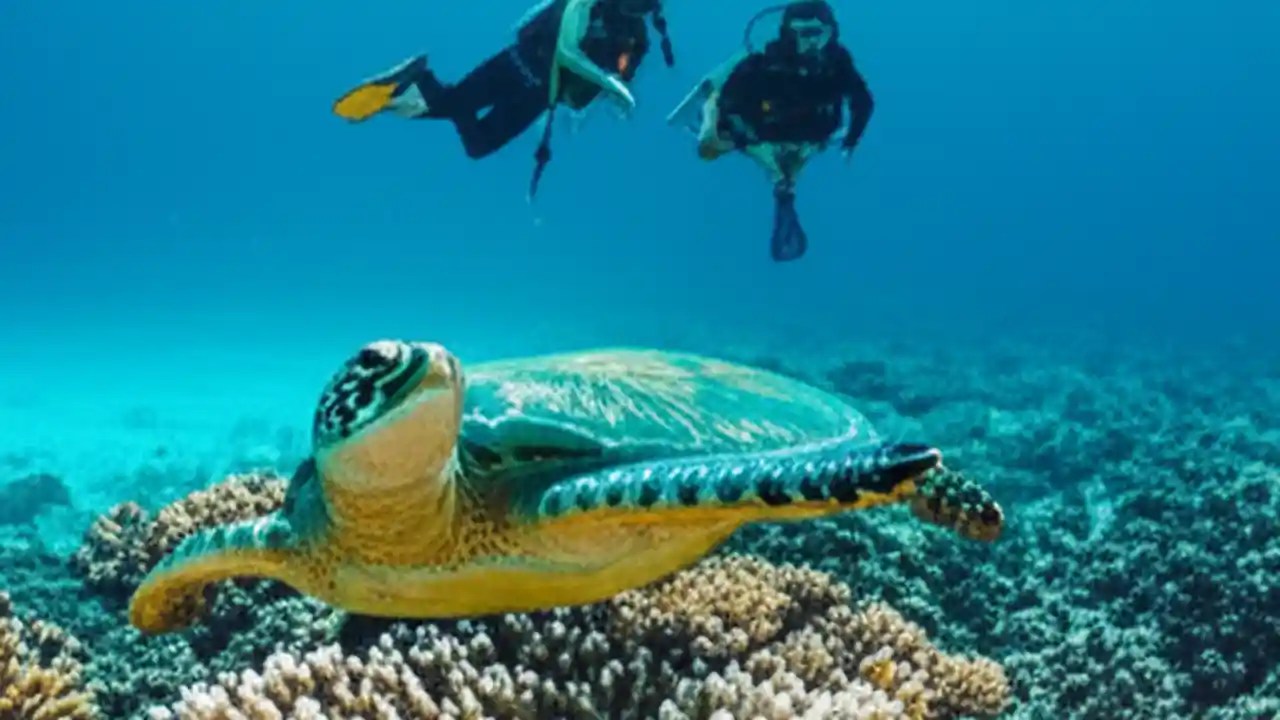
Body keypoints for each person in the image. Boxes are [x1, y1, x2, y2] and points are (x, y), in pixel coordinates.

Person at [332, 0, 674, 198]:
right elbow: (569, 53)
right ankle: (415, 82)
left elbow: (608, 83)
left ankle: (410, 85)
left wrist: (618, 86)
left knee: (475, 141)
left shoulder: (636, 37)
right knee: (455, 107)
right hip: (521, 62)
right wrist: (617, 90)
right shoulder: (589, 5)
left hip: (542, 94)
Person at [667, 0, 872, 261]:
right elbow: (731, 102)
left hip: (805, 133)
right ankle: (711, 111)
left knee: (795, 160)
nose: (812, 42)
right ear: (788, 33)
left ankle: (783, 182)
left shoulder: (838, 62)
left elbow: (862, 100)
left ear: (832, 33)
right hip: (758, 129)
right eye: (803, 33)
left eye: (820, 33)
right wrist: (731, 130)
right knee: (709, 148)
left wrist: (851, 141)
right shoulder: (765, 62)